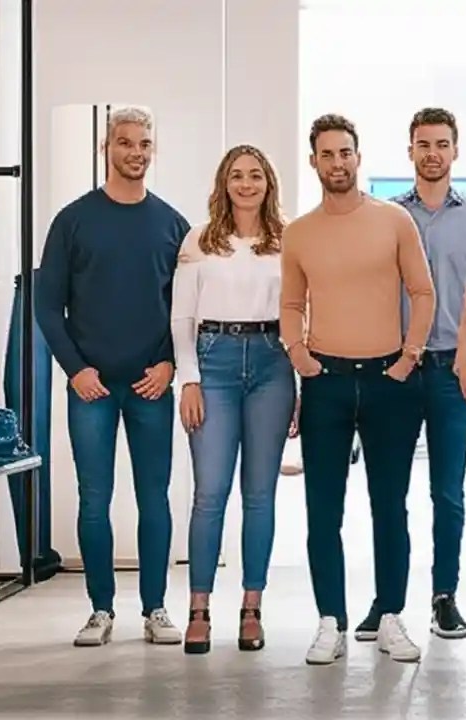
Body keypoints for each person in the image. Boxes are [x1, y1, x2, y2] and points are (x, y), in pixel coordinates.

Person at [281, 113, 436, 666]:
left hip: (390, 380)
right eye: (327, 154)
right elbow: (292, 302)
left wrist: (409, 357)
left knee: (389, 505)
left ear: (358, 156)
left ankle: (391, 615)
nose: (338, 163)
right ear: (314, 161)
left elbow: (422, 291)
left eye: (345, 152)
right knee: (324, 507)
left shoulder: (392, 220)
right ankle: (331, 621)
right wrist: (299, 356)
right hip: (325, 381)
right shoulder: (299, 233)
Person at [35, 105, 189, 648]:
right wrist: (75, 370)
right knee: (93, 498)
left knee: (156, 497)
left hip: (152, 385)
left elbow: (186, 308)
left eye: (144, 143)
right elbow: (47, 305)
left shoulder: (173, 225)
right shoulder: (74, 220)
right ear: (108, 148)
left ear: (153, 149)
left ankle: (156, 609)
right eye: (126, 143)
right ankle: (100, 609)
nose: (136, 152)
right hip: (92, 388)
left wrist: (171, 363)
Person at [351, 107, 466, 643]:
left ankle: (444, 598)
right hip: (394, 370)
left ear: (455, 151)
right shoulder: (384, 217)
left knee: (449, 494)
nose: (432, 153)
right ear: (409, 151)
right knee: (386, 494)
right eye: (423, 144)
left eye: (441, 144)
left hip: (450, 372)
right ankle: (387, 603)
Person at [172, 144, 297, 654]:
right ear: (223, 183)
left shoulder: (289, 239)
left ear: (269, 182)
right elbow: (182, 315)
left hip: (273, 361)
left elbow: (300, 312)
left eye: (256, 175)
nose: (246, 184)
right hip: (215, 360)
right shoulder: (200, 240)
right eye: (236, 176)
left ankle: (251, 607)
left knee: (261, 495)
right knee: (209, 493)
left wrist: (302, 389)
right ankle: (199, 608)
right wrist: (189, 379)